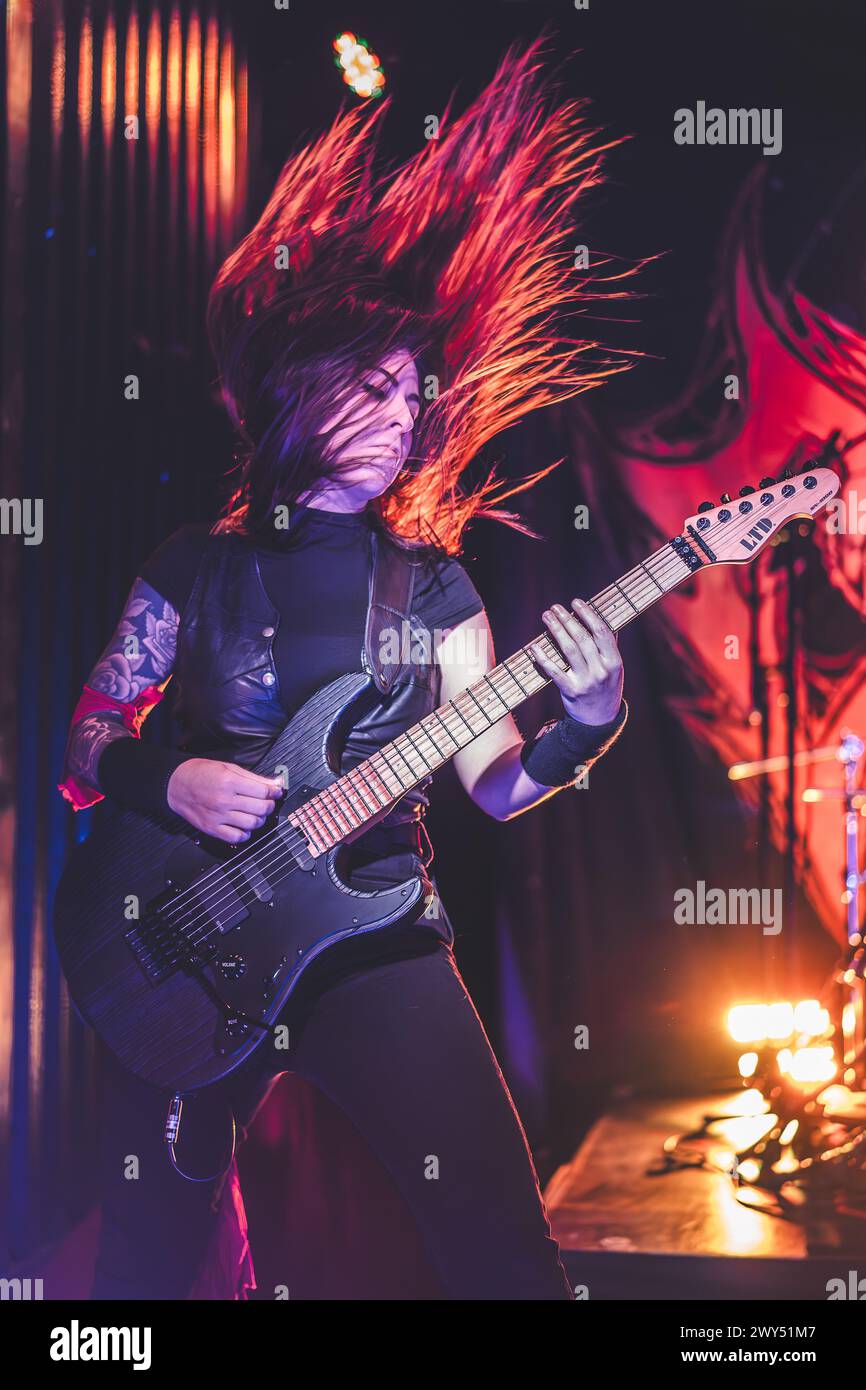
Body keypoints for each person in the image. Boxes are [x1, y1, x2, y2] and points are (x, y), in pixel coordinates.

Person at [58, 41, 629, 1300]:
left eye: (406, 391)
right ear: (294, 391)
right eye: (366, 386)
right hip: (186, 942)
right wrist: (173, 777)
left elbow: (490, 782)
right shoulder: (191, 564)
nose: (396, 410)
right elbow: (88, 737)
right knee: (145, 1264)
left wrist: (580, 724)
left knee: (498, 1247)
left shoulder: (433, 585)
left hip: (373, 939)